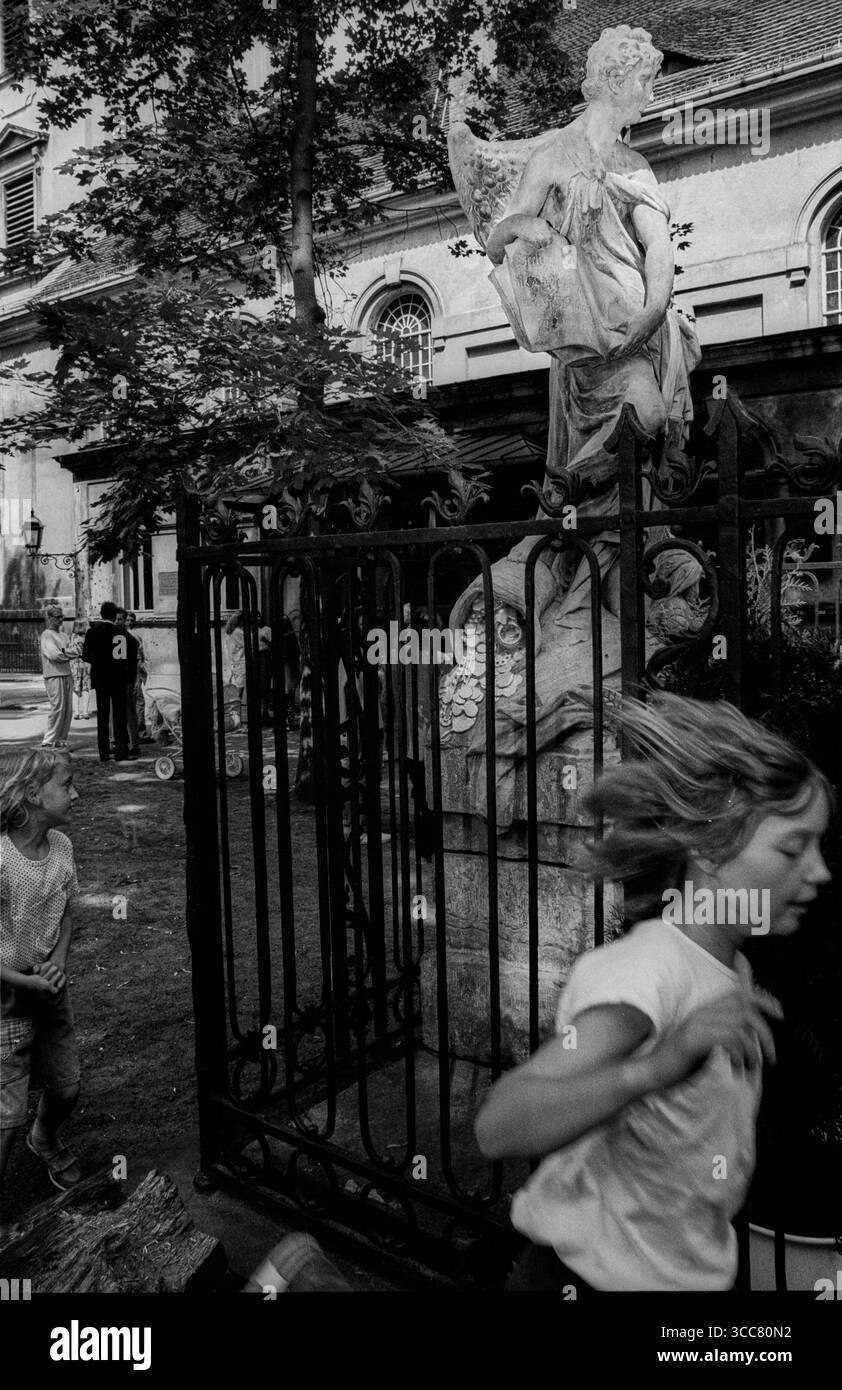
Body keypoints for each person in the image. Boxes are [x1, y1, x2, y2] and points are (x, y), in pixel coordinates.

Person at [475, 693, 833, 1293]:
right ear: (710, 848)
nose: (820, 870)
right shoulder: (650, 972)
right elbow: (502, 1124)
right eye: (794, 848)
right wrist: (658, 1068)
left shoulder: (728, 970)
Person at [0, 749, 82, 1193]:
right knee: (4, 1116)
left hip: (50, 988)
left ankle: (45, 1137)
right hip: (6, 998)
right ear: (32, 793)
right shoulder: (0, 861)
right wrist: (21, 980)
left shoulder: (63, 848)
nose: (76, 793)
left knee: (67, 1088)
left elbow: (67, 911)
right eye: (66, 784)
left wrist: (58, 962)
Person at [82, 601, 136, 763]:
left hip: (101, 678)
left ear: (102, 615)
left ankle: (104, 753)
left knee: (103, 716)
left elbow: (86, 656)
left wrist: (99, 660)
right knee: (120, 716)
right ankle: (121, 751)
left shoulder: (93, 632)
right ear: (114, 616)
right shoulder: (122, 633)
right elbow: (132, 652)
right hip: (119, 678)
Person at [39, 605, 76, 750]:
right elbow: (54, 655)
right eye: (57, 616)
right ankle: (49, 739)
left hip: (66, 673)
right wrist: (67, 653)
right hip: (53, 674)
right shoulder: (46, 635)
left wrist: (65, 653)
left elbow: (76, 650)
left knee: (68, 709)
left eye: (62, 616)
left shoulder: (64, 636)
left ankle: (61, 738)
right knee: (58, 708)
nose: (61, 619)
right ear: (50, 618)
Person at [115, 609, 142, 756]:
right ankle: (128, 743)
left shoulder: (127, 638)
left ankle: (132, 743)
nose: (119, 622)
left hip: (126, 680)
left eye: (120, 620)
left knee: (128, 712)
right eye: (117, 620)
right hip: (122, 679)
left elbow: (136, 661)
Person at [68, 618, 92, 721]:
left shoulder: (72, 637)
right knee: (86, 688)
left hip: (74, 663)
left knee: (75, 688)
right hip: (85, 663)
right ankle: (85, 712)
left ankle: (76, 712)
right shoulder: (87, 638)